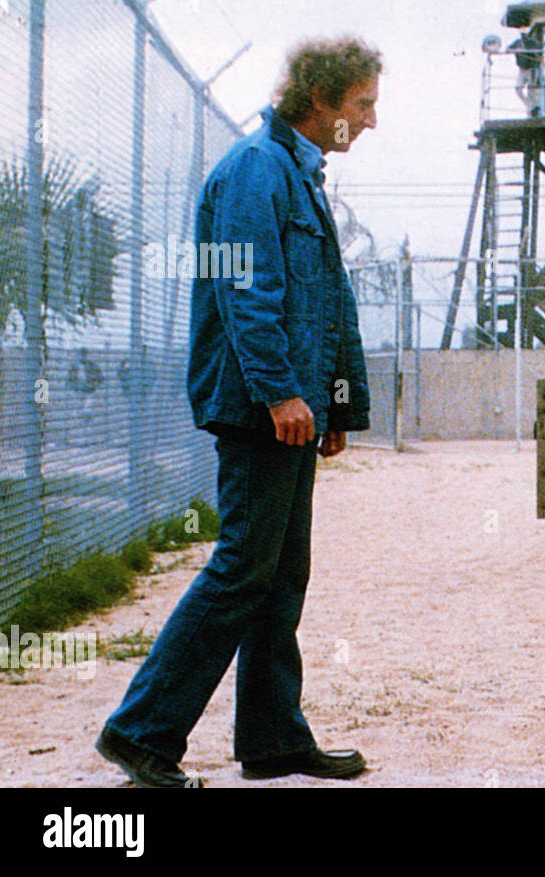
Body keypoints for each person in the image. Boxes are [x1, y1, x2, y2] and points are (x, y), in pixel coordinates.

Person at [95, 37, 380, 787]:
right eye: (362, 104)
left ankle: (272, 735)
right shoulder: (258, 169)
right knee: (241, 567)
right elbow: (249, 291)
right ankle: (142, 732)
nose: (372, 121)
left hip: (291, 403)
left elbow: (329, 304)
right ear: (319, 99)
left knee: (281, 573)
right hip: (260, 404)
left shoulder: (300, 173)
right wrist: (282, 392)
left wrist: (336, 400)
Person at [510, 28, 541, 115]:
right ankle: (529, 106)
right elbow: (508, 48)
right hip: (522, 69)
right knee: (518, 89)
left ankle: (533, 108)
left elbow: (537, 51)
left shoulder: (532, 42)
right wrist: (515, 50)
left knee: (531, 90)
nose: (523, 36)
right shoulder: (517, 42)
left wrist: (529, 51)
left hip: (531, 68)